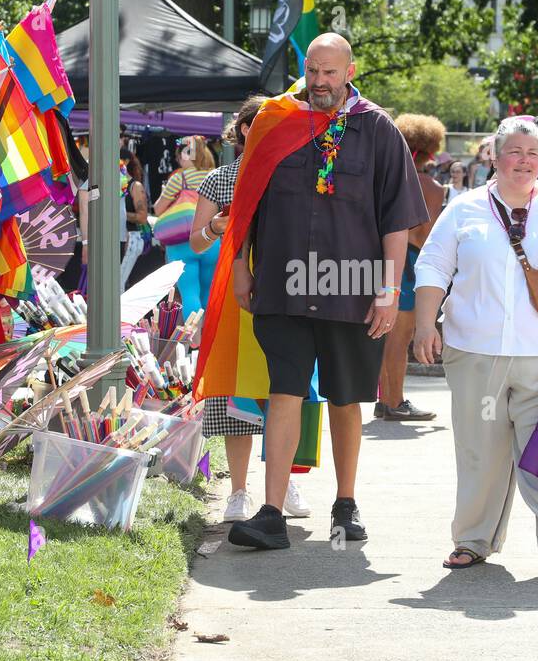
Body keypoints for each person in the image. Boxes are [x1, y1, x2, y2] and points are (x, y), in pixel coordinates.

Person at [211, 33, 429, 550]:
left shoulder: (377, 129)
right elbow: (246, 205)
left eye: (331, 73)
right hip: (282, 284)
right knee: (283, 390)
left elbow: (396, 220)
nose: (321, 83)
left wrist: (388, 290)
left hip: (351, 287)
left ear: (350, 70)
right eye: (313, 71)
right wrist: (241, 267)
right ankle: (270, 512)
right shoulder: (273, 121)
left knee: (345, 395)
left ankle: (346, 505)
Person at [413, 117, 538, 576]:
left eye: (532, 153)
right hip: (474, 352)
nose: (524, 162)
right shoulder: (464, 208)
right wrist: (426, 325)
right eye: (514, 152)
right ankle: (472, 540)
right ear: (494, 157)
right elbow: (433, 267)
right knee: (480, 449)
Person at [189, 95, 309, 523]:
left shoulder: (293, 171)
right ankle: (239, 492)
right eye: (261, 123)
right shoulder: (220, 179)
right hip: (232, 299)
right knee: (235, 392)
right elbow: (196, 242)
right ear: (243, 130)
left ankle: (283, 481)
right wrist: (214, 227)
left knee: (285, 389)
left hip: (285, 291)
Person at [376, 113, 448, 422]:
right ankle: (395, 401)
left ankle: (384, 399)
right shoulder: (432, 187)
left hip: (378, 262)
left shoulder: (385, 179)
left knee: (382, 336)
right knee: (399, 338)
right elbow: (422, 234)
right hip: (408, 266)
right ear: (430, 148)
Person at [153, 135, 218, 313]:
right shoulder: (216, 175)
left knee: (189, 293)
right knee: (208, 293)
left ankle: (194, 340)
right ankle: (207, 338)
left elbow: (158, 209)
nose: (178, 158)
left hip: (183, 242)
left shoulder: (179, 178)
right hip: (213, 239)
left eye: (180, 154)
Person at [119, 150, 150, 288]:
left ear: (125, 162)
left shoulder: (135, 186)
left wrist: (120, 214)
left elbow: (142, 217)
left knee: (119, 283)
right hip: (117, 239)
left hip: (131, 240)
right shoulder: (113, 185)